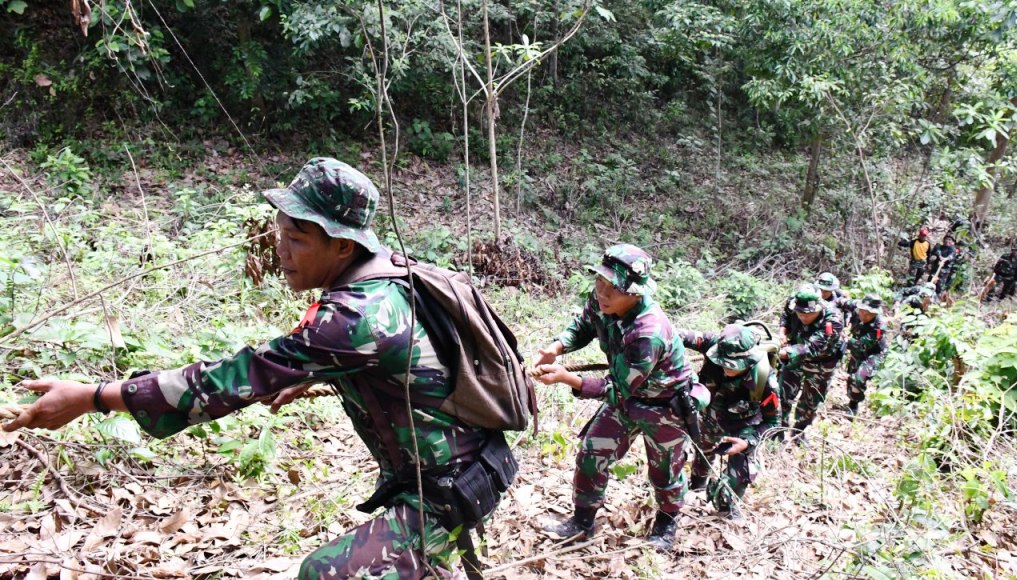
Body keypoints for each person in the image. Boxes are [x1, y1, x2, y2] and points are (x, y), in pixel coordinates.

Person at [3, 157, 515, 579]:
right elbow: (398, 360)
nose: (280, 249)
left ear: (342, 245)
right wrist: (316, 374)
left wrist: (92, 396)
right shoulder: (383, 280)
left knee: (324, 573)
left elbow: (229, 380)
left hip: (450, 485)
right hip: (456, 469)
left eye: (297, 238)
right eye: (280, 232)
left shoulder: (354, 319)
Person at [533, 244, 704, 550]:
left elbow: (616, 387)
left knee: (665, 471)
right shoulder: (602, 299)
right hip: (628, 399)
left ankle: (666, 525)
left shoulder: (647, 331)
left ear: (635, 293)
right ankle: (582, 523)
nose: (603, 292)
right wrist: (557, 347)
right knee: (591, 452)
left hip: (665, 406)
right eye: (599, 282)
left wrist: (566, 378)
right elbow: (584, 325)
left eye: (613, 288)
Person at [680, 324, 781, 520]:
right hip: (709, 419)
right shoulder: (714, 345)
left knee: (741, 471)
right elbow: (676, 334)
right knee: (702, 456)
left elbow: (773, 421)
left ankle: (728, 506)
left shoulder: (765, 378)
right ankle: (697, 486)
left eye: (732, 365)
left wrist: (748, 441)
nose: (726, 369)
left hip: (743, 428)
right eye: (722, 362)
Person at [777, 287, 845, 440]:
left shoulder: (833, 319)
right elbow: (786, 317)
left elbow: (814, 347)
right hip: (793, 358)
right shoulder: (793, 302)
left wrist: (784, 352)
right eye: (800, 313)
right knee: (782, 393)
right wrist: (782, 332)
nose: (803, 317)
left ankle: (799, 432)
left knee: (811, 401)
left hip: (820, 363)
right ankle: (778, 430)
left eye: (808, 314)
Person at [842, 294, 888, 417]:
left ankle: (853, 406)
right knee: (852, 376)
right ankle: (852, 399)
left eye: (869, 314)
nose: (864, 316)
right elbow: (840, 300)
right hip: (856, 347)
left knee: (860, 377)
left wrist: (845, 339)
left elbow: (862, 345)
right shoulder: (855, 306)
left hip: (874, 352)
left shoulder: (879, 326)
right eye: (862, 312)